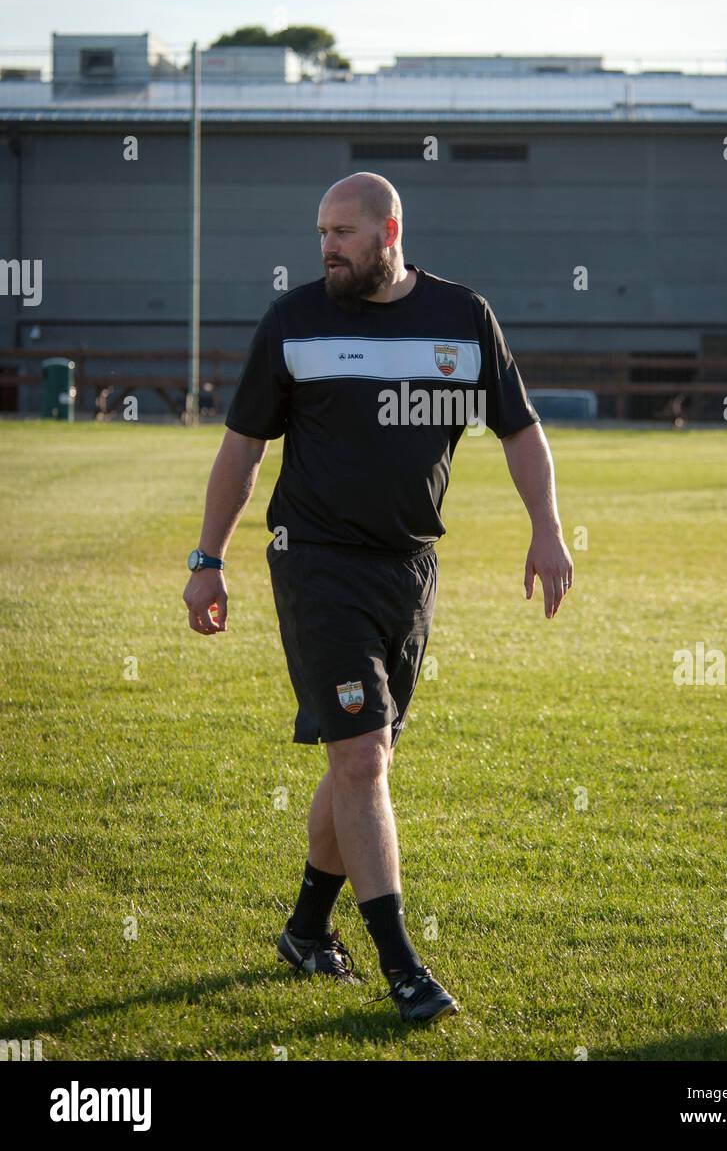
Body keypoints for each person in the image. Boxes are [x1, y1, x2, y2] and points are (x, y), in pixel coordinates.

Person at [182, 172, 573, 1025]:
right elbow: (243, 448)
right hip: (315, 561)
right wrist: (206, 557)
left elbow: (519, 428)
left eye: (344, 232)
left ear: (388, 231)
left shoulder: (462, 318)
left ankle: (305, 930)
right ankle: (403, 969)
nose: (326, 246)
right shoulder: (293, 321)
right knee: (359, 758)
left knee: (364, 758)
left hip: (409, 569)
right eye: (320, 231)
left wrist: (546, 527)